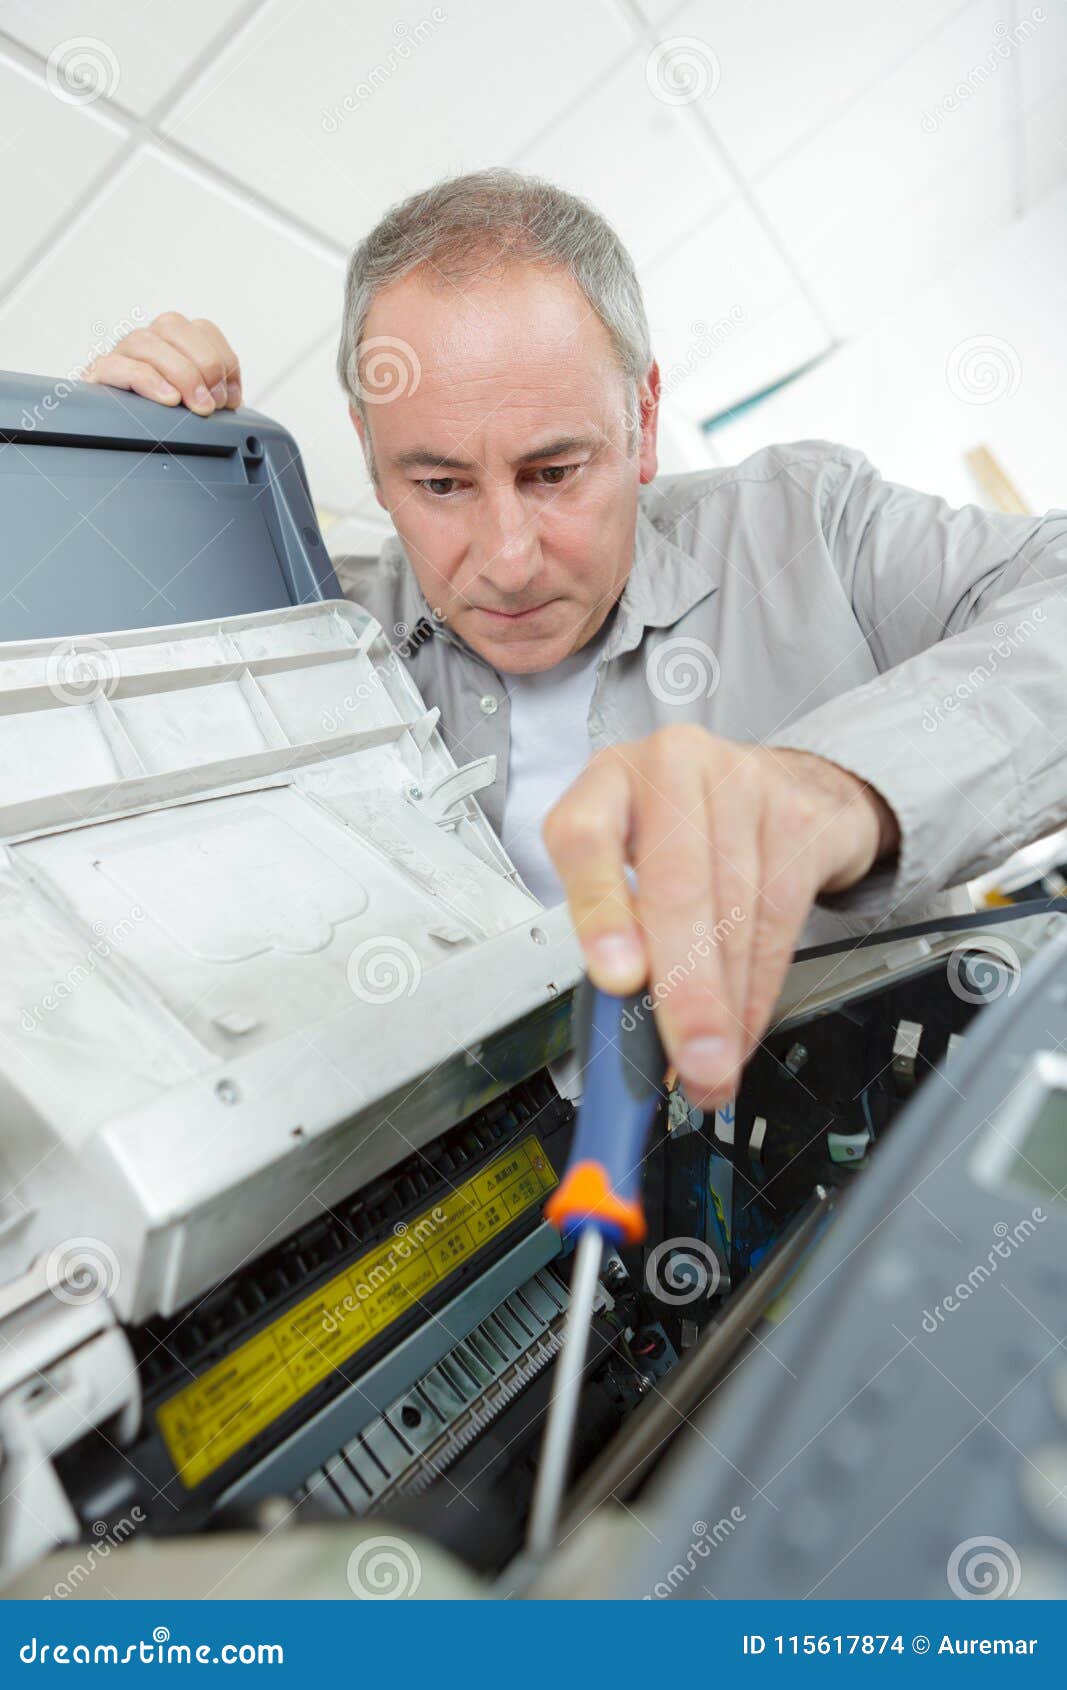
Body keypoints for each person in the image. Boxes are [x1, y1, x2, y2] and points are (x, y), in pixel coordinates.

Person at [86, 169, 1067, 1111]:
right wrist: (117, 476)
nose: (508, 560)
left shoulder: (804, 527)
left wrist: (831, 790)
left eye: (552, 473)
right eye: (439, 485)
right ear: (369, 455)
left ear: (641, 418)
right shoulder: (325, 637)